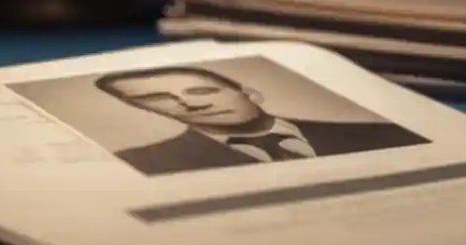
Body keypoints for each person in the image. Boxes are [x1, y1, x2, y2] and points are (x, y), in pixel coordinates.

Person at [94, 65, 427, 175]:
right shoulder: (139, 164)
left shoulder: (383, 134)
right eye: (158, 99)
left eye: (202, 91)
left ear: (251, 94)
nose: (190, 104)